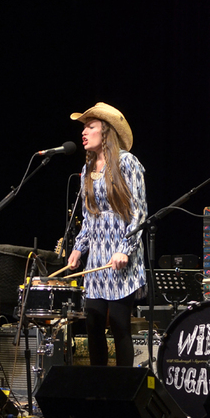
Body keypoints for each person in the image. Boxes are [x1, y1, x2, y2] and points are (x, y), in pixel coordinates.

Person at [66, 103, 147, 367]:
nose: (84, 132)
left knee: (120, 325)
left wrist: (126, 249)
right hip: (98, 260)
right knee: (93, 323)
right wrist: (79, 248)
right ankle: (99, 386)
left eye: (90, 127)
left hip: (121, 254)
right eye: (84, 128)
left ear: (106, 132)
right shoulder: (87, 169)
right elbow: (90, 216)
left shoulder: (127, 162)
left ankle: (124, 388)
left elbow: (139, 212)